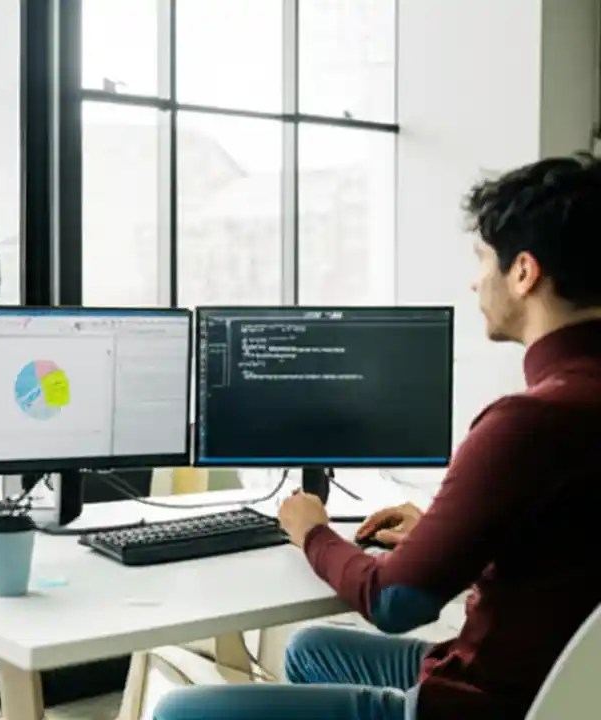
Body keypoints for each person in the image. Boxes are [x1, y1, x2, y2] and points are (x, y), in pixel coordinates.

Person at [154, 153, 601, 720]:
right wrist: (448, 538)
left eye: (482, 259)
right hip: (564, 687)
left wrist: (312, 532)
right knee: (310, 649)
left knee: (178, 713)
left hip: (481, 706)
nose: (474, 279)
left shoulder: (526, 423)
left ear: (523, 273)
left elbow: (393, 603)